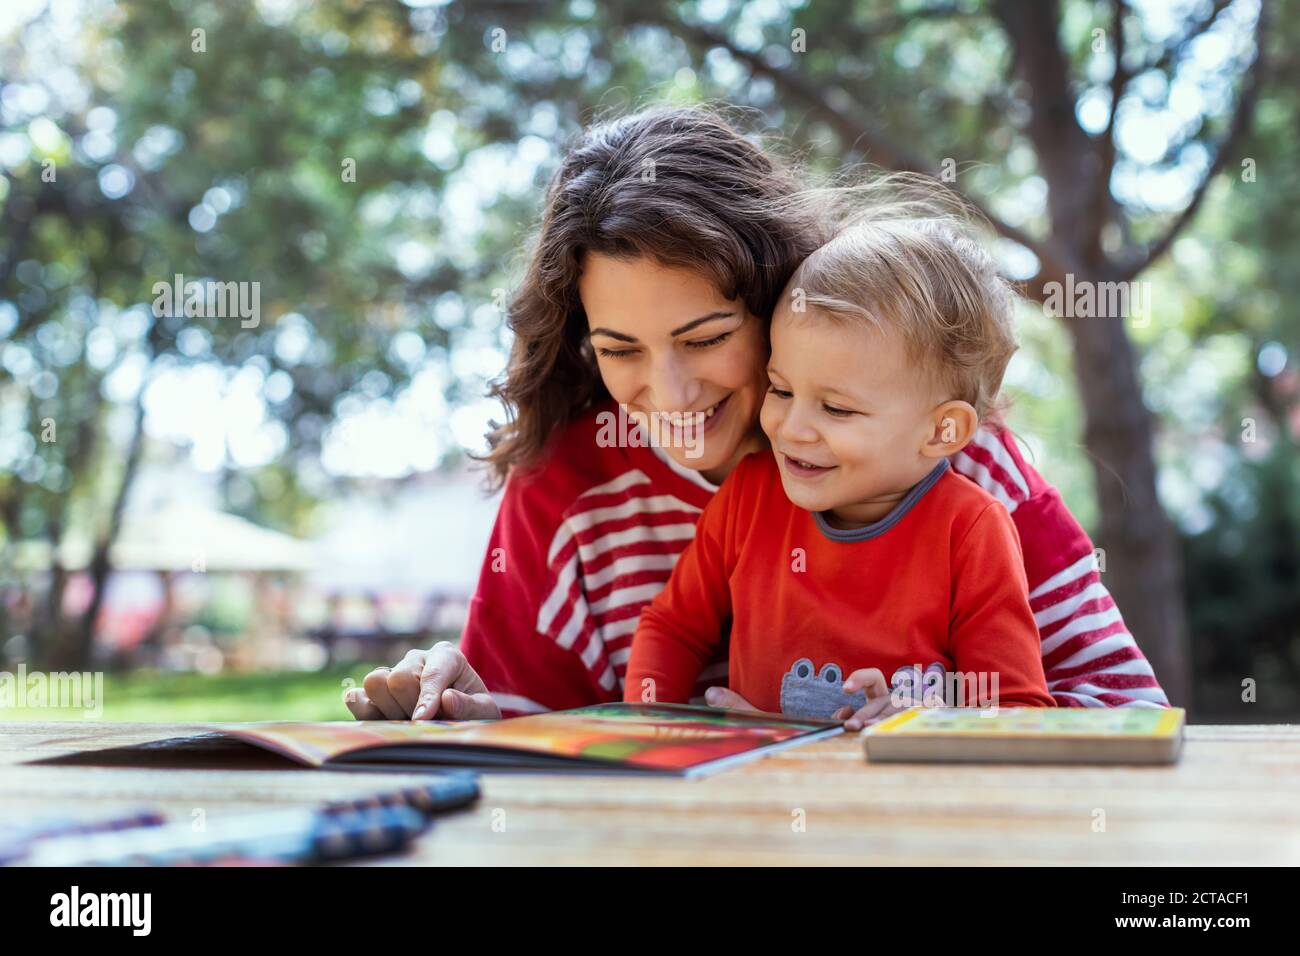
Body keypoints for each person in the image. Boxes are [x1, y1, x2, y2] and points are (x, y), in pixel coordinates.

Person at [343, 106, 1168, 723]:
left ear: (780, 305)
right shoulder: (566, 496)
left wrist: (942, 716)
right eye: (620, 348)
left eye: (705, 337)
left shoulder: (951, 465)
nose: (669, 394)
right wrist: (474, 714)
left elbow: (1127, 711)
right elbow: (570, 745)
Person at [626, 215, 1057, 728]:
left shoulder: (969, 530)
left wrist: (923, 718)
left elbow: (1017, 709)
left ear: (942, 430)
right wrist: (650, 728)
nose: (792, 428)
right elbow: (672, 628)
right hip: (756, 787)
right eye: (781, 390)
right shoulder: (749, 496)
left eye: (836, 409)